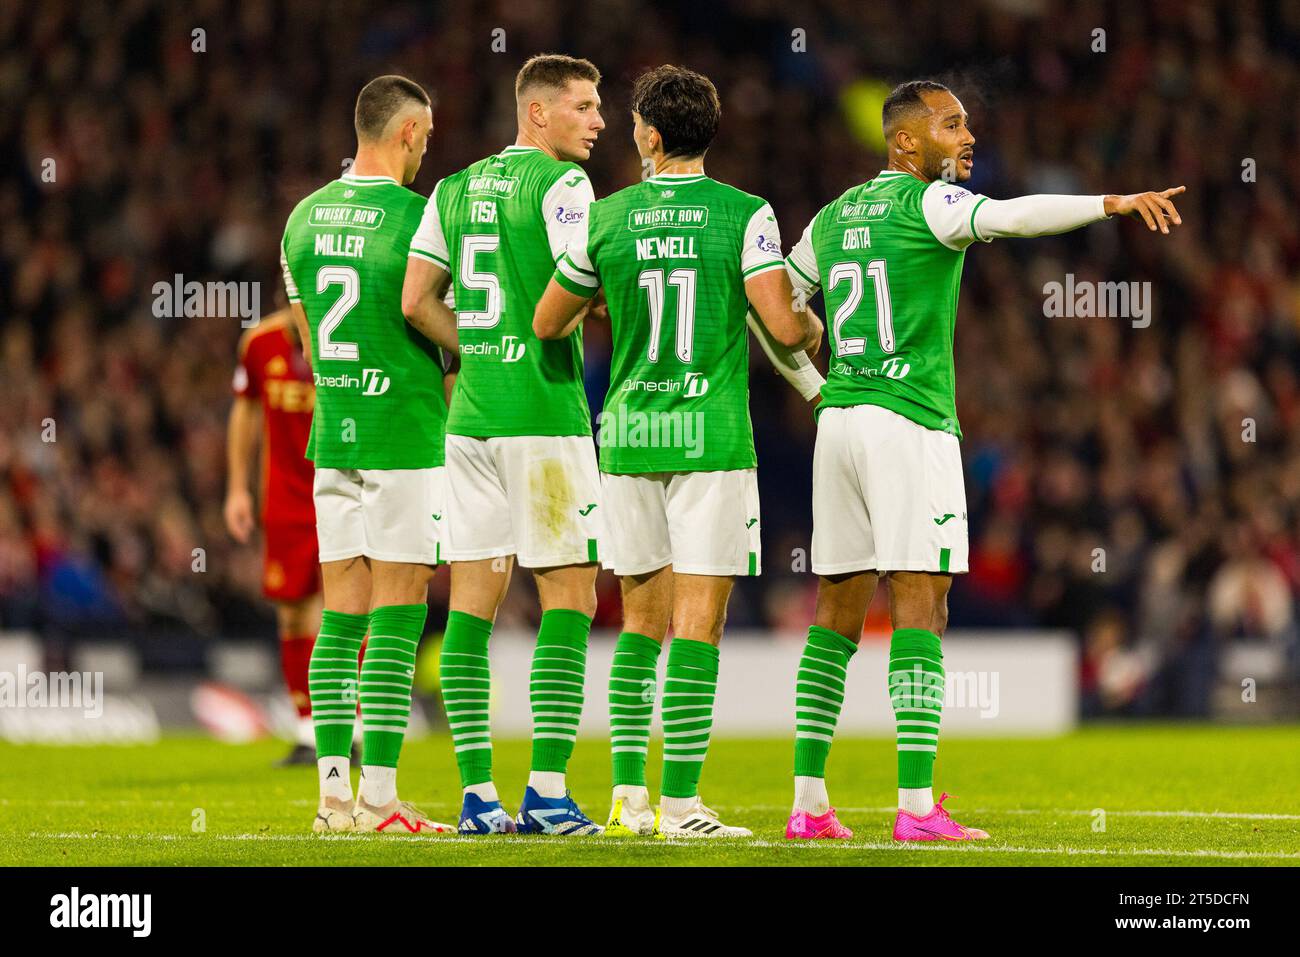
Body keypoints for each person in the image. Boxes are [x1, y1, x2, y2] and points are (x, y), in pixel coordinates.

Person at [782, 79, 1184, 842]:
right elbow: (1012, 216)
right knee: (921, 605)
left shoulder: (831, 217)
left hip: (839, 423)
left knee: (835, 613)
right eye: (950, 124)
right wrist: (1110, 203)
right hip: (909, 421)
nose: (967, 137)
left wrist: (814, 385)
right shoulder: (927, 204)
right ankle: (917, 806)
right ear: (905, 143)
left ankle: (808, 802)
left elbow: (777, 305)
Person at [534, 65, 821, 838]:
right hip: (709, 438)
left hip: (628, 436)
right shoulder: (744, 214)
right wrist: (812, 327)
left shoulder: (607, 217)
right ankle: (684, 806)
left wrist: (612, 303)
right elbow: (785, 329)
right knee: (698, 627)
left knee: (639, 623)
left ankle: (628, 799)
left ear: (651, 136)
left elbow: (547, 322)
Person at [403, 54, 607, 835]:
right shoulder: (563, 187)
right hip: (544, 420)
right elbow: (575, 279)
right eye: (583, 107)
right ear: (537, 113)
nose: (595, 122)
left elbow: (415, 300)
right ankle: (549, 792)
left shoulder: (449, 189)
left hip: (472, 422)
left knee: (471, 608)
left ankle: (478, 798)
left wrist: (477, 350)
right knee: (571, 595)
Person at [281, 74, 459, 834]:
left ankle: (331, 798)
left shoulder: (302, 219)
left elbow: (307, 338)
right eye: (427, 138)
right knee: (397, 615)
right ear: (410, 132)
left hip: (337, 436)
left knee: (339, 618)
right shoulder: (424, 220)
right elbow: (429, 312)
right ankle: (381, 800)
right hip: (403, 433)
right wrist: (470, 350)